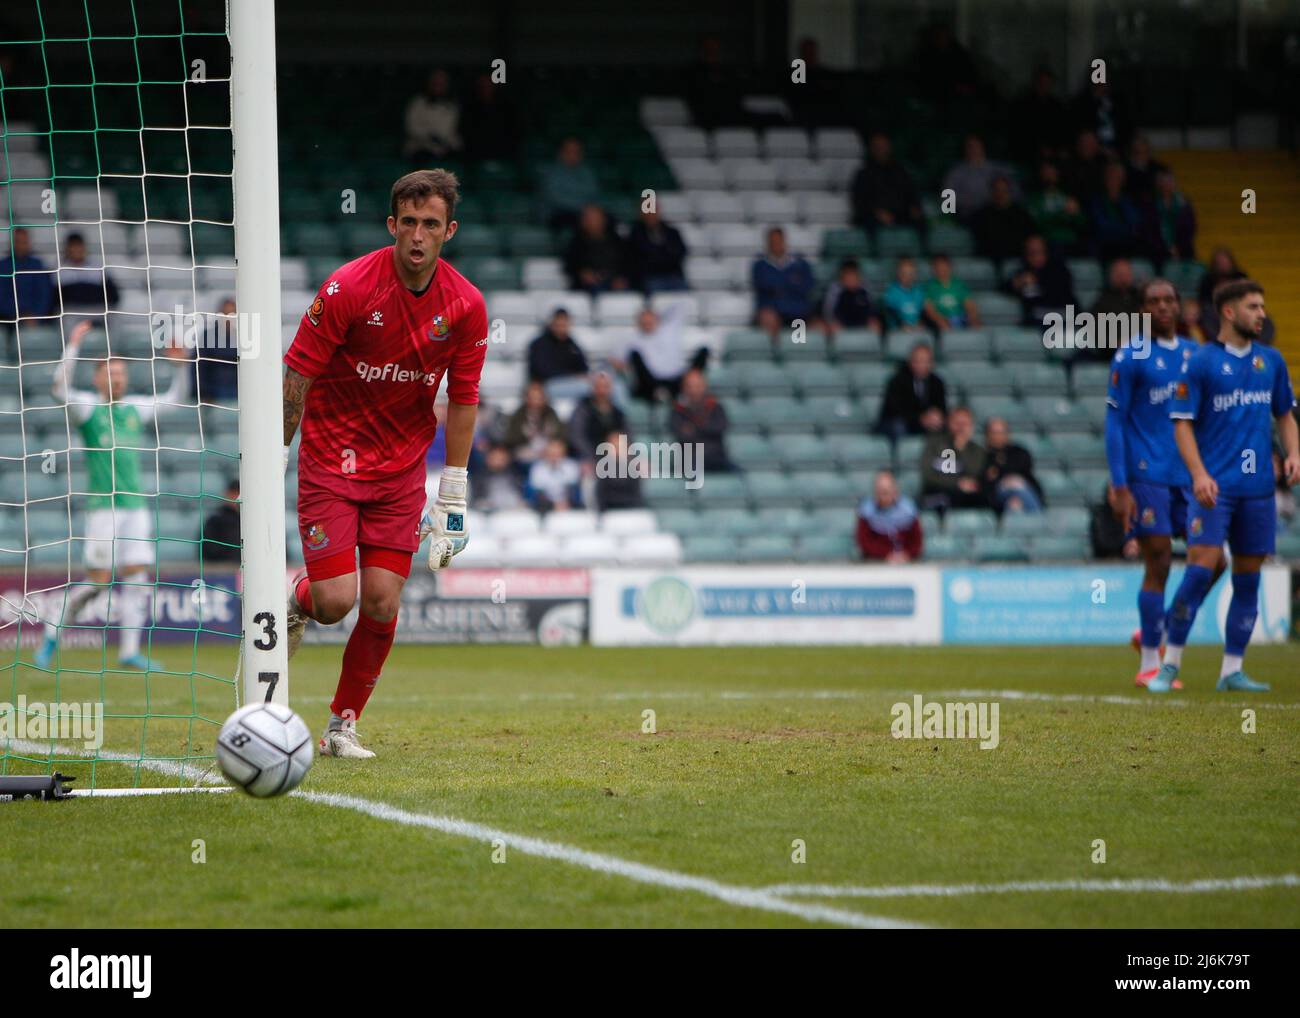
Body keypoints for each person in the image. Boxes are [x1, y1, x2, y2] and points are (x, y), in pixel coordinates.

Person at [282, 169, 489, 759]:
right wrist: (277, 452)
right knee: (335, 603)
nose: (418, 235)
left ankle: (341, 726)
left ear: (449, 230)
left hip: (399, 472)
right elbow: (299, 371)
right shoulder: (349, 288)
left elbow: (466, 396)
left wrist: (453, 489)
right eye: (408, 222)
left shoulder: (467, 306)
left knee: (382, 601)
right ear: (391, 224)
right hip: (330, 460)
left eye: (431, 224)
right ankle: (295, 600)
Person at [1152, 279, 1299, 693]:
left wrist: (1294, 453)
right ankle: (1170, 663)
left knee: (1248, 579)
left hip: (1259, 489)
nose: (1262, 313)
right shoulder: (1200, 363)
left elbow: (1285, 415)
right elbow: (1181, 424)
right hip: (1214, 488)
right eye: (1254, 306)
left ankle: (1231, 670)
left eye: (1263, 305)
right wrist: (1199, 473)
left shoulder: (1271, 361)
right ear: (1230, 312)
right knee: (1200, 570)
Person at [35, 319, 191, 672]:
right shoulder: (88, 407)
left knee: (137, 577)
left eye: (121, 373)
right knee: (98, 583)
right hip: (103, 509)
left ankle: (129, 652)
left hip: (136, 507)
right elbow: (59, 388)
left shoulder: (134, 408)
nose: (117, 378)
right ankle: (50, 636)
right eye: (110, 373)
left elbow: (176, 400)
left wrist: (180, 367)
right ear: (97, 379)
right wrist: (73, 347)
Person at [617, 302, 709, 403]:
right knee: (635, 354)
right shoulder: (634, 339)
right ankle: (663, 394)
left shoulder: (669, 329)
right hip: (651, 382)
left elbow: (679, 305)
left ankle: (674, 393)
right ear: (639, 323)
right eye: (644, 322)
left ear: (657, 319)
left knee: (704, 351)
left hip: (678, 378)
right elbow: (618, 360)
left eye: (650, 320)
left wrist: (658, 314)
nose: (648, 324)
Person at [849, 132, 924, 235]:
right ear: (872, 149)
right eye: (878, 147)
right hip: (873, 216)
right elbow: (859, 201)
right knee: (869, 224)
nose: (882, 150)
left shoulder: (901, 172)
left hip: (900, 214)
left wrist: (915, 208)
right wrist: (877, 213)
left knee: (921, 223)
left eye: (884, 146)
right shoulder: (863, 174)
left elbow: (912, 195)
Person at [752, 227, 816, 338]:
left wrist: (780, 287)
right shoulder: (760, 266)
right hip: (773, 310)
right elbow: (764, 286)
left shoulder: (801, 264)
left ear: (784, 241)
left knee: (812, 327)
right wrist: (791, 283)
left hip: (797, 311)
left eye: (778, 240)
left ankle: (798, 351)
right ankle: (774, 353)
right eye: (772, 241)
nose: (776, 244)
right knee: (768, 318)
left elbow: (807, 286)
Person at [920, 405, 987, 511]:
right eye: (957, 423)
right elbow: (928, 476)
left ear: (971, 426)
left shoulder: (977, 450)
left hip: (967, 496)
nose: (961, 428)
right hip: (938, 494)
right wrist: (956, 484)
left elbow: (974, 473)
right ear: (949, 424)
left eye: (965, 424)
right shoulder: (934, 445)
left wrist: (961, 448)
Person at [877, 341, 947, 441]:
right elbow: (896, 410)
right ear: (911, 361)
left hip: (924, 423)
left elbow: (941, 408)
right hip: (899, 422)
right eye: (918, 361)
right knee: (898, 426)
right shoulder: (897, 381)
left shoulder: (937, 382)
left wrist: (936, 416)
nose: (922, 365)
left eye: (926, 361)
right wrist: (920, 418)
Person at [669, 368, 733, 473]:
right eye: (690, 386)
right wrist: (705, 428)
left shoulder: (716, 408)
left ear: (704, 386)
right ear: (683, 388)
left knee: (739, 475)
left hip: (716, 458)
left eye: (697, 386)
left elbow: (720, 427)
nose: (694, 390)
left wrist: (694, 428)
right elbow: (681, 435)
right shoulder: (677, 411)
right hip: (689, 461)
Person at [1005, 234, 1077, 327]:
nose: (1036, 257)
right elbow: (1004, 286)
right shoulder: (1024, 272)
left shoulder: (1060, 271)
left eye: (1039, 252)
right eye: (1031, 253)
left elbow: (1059, 295)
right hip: (1036, 321)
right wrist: (1018, 282)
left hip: (1061, 318)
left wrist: (1038, 283)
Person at [942, 134, 1016, 221]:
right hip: (968, 217)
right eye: (970, 146)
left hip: (999, 215)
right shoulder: (955, 173)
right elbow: (947, 201)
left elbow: (1015, 193)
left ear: (983, 147)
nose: (973, 150)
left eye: (976, 146)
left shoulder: (999, 169)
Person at [856, 470, 922, 562]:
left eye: (886, 492)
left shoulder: (909, 510)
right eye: (879, 491)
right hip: (876, 563)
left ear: (895, 490)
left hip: (906, 564)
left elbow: (917, 543)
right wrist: (886, 555)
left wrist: (905, 555)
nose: (882, 496)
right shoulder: (867, 512)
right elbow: (864, 543)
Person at [970, 175, 1036, 266]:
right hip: (991, 260)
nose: (1000, 194)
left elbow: (1028, 238)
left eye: (1004, 190)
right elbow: (982, 241)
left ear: (1009, 191)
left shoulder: (1021, 214)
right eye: (997, 190)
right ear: (992, 192)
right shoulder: (982, 215)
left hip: (1019, 259)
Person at [981, 417, 1044, 513]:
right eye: (994, 432)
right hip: (996, 497)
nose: (997, 436)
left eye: (1000, 432)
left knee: (1015, 504)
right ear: (987, 435)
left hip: (1020, 493)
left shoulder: (1019, 452)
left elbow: (1024, 471)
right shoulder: (982, 456)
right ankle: (1039, 519)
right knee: (1015, 486)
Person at [538, 137, 601, 232]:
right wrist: (584, 208)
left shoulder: (587, 172)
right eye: (569, 151)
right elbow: (555, 198)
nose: (573, 154)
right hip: (556, 213)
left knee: (607, 219)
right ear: (560, 153)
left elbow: (593, 193)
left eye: (577, 151)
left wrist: (589, 210)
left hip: (584, 212)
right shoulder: (550, 172)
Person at [563, 204, 628, 294]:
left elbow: (627, 263)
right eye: (588, 218)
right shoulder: (576, 243)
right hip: (587, 286)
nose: (591, 222)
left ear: (604, 219)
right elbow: (569, 266)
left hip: (613, 281)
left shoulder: (617, 241)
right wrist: (582, 274)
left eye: (595, 218)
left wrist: (621, 277)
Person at [1027, 160, 1088, 256]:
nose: (1049, 175)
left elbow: (1082, 222)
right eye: (1046, 172)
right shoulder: (1035, 199)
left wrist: (1076, 213)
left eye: (1052, 171)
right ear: (1040, 174)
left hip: (1071, 241)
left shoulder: (1066, 196)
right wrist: (1063, 214)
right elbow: (1038, 223)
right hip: (1049, 242)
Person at [502, 379, 566, 470]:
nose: (536, 401)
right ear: (526, 398)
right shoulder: (519, 415)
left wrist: (551, 441)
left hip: (548, 453)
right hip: (525, 452)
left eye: (539, 397)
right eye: (533, 397)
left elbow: (560, 435)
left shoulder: (551, 413)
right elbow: (510, 439)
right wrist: (525, 435)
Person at [568, 369, 629, 463]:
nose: (602, 391)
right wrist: (594, 456)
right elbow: (577, 437)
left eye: (606, 386)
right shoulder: (583, 409)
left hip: (615, 456)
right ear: (593, 388)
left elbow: (627, 434)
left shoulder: (618, 412)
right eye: (599, 386)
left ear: (611, 388)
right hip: (588, 456)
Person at [1088, 162, 1143, 262]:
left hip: (1127, 246)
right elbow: (1101, 225)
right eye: (1111, 176)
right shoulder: (1096, 200)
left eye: (1117, 177)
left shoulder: (1128, 200)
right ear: (1105, 179)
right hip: (1104, 246)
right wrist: (1123, 229)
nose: (1114, 180)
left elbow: (1134, 223)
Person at [402, 70, 462, 162]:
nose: (438, 86)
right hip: (419, 147)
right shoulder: (417, 103)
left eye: (441, 83)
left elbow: (450, 130)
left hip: (445, 148)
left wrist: (448, 143)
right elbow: (412, 128)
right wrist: (431, 137)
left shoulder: (452, 106)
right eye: (435, 82)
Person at [625, 207, 688, 294]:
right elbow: (638, 258)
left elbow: (680, 253)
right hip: (650, 277)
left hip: (673, 276)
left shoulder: (672, 232)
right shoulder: (635, 234)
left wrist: (657, 257)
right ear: (641, 213)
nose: (651, 213)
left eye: (653, 209)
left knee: (684, 294)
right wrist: (663, 257)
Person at [0, 227, 56, 321]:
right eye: (18, 241)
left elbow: (45, 295)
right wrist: (15, 314)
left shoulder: (38, 266)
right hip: (6, 318)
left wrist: (35, 315)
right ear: (12, 243)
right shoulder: (2, 266)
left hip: (34, 318)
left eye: (24, 242)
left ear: (29, 243)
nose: (21, 245)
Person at [58, 232, 119, 313]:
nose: (76, 250)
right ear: (67, 249)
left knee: (113, 319)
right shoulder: (59, 269)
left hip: (97, 309)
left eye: (79, 246)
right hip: (71, 310)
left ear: (84, 247)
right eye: (73, 247)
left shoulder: (98, 267)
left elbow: (113, 295)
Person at [461, 72, 517, 160]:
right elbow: (467, 133)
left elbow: (513, 132)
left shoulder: (507, 108)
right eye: (482, 85)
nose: (485, 88)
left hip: (503, 153)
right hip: (476, 154)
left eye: (488, 85)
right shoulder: (470, 108)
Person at [527, 308, 588, 384]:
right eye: (559, 324)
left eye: (564, 324)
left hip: (569, 383)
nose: (562, 327)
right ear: (552, 323)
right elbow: (543, 371)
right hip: (545, 385)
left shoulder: (571, 345)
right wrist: (571, 376)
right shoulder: (540, 344)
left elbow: (583, 368)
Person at [1149, 169, 1196, 266]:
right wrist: (1166, 248)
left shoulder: (1183, 204)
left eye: (1169, 181)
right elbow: (1150, 230)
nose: (1166, 185)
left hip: (1183, 251)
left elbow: (1190, 227)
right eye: (1163, 181)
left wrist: (1178, 248)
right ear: (1159, 184)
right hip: (1158, 253)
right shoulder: (1151, 204)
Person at [821, 258, 881, 333]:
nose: (850, 278)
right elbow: (828, 311)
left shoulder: (865, 288)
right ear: (842, 275)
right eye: (847, 275)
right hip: (841, 325)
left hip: (863, 325)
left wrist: (873, 319)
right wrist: (830, 322)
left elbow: (873, 310)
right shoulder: (835, 290)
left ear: (858, 275)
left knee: (875, 325)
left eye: (852, 275)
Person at [923, 253, 980, 331]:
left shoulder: (959, 284)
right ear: (934, 268)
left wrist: (973, 317)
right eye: (938, 266)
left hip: (960, 319)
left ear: (949, 266)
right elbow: (929, 309)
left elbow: (969, 304)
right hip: (942, 321)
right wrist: (940, 320)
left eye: (943, 266)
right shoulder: (929, 287)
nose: (941, 269)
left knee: (977, 324)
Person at [198, 296, 239, 401]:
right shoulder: (208, 336)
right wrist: (204, 393)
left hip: (238, 391)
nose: (228, 318)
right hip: (213, 392)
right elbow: (200, 367)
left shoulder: (244, 337)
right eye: (225, 314)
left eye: (232, 314)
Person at [594, 430, 646, 511]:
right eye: (616, 447)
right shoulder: (602, 468)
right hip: (609, 511)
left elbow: (636, 495)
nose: (619, 450)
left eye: (622, 447)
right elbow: (601, 495)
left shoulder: (633, 468)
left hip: (630, 511)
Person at [526, 437, 581, 512]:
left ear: (564, 453)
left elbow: (572, 490)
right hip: (545, 505)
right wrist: (553, 505)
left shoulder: (572, 466)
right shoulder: (537, 468)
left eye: (558, 454)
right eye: (552, 454)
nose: (555, 457)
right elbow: (538, 492)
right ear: (546, 453)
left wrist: (564, 503)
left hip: (568, 503)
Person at [200, 477, 241, 566]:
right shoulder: (215, 520)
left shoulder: (251, 522)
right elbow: (207, 548)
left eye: (238, 494)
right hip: (223, 570)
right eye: (234, 493)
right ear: (227, 494)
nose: (236, 498)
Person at [881, 256, 927, 334]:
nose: (907, 276)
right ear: (898, 273)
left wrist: (921, 322)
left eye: (910, 273)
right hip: (897, 332)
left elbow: (923, 312)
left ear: (915, 274)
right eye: (904, 272)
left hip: (917, 330)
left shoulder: (919, 291)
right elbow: (890, 313)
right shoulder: (891, 292)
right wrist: (902, 325)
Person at [476, 443, 526, 511]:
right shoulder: (480, 477)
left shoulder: (514, 475)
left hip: (513, 511)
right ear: (488, 459)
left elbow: (521, 496)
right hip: (488, 514)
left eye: (501, 458)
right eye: (495, 458)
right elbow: (477, 500)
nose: (498, 462)